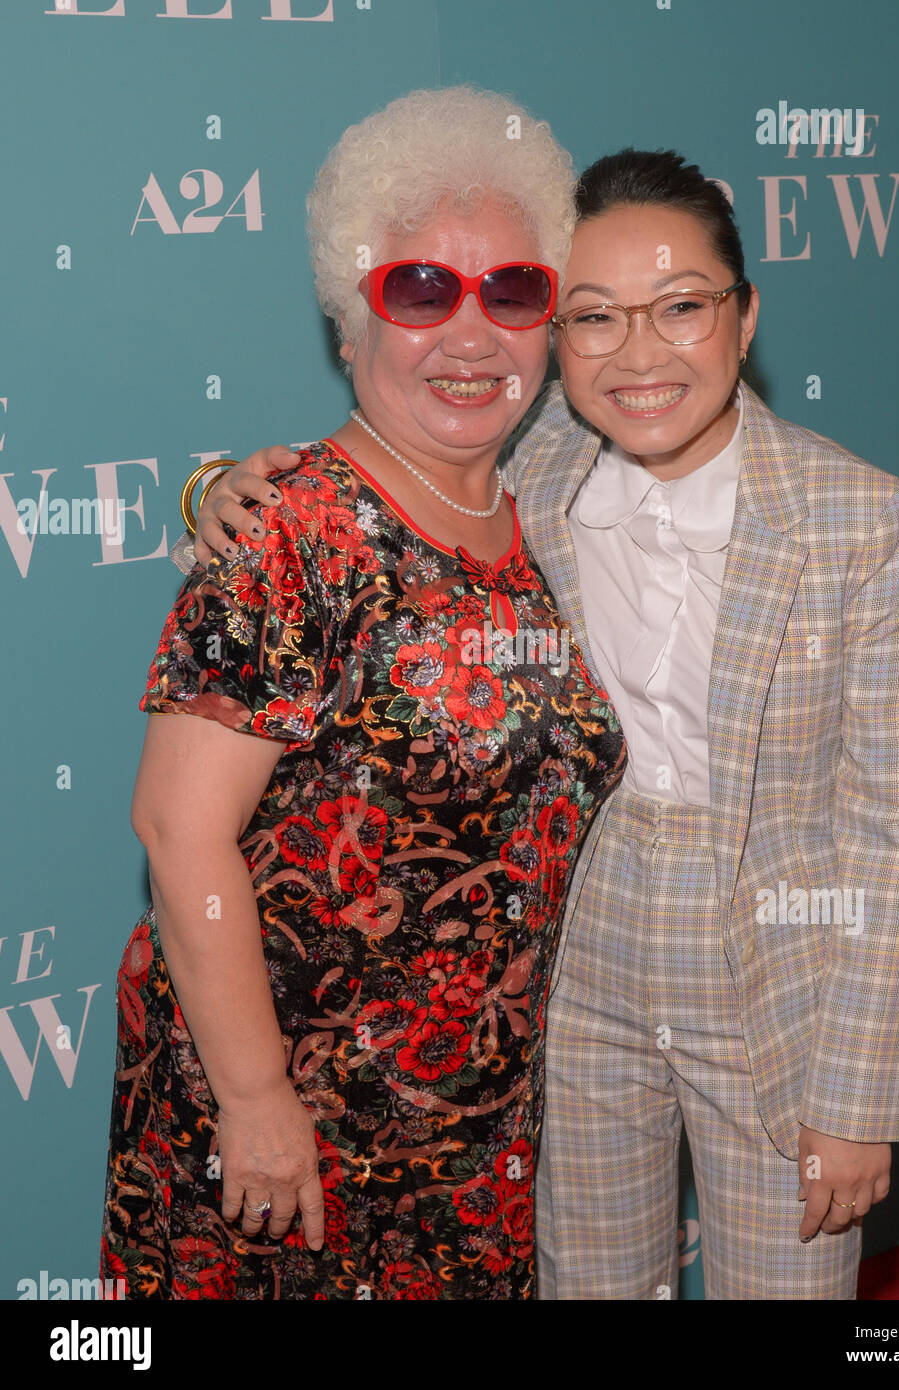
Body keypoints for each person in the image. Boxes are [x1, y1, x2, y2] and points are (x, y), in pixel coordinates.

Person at [186, 148, 899, 1300]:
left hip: (778, 995)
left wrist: (859, 1100)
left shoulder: (860, 520)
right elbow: (362, 486)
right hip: (569, 966)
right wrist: (212, 488)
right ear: (554, 338)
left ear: (744, 320)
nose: (639, 356)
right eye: (594, 318)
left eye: (681, 310)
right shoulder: (526, 472)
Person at [100, 86, 625, 1302]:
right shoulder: (293, 529)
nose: (471, 333)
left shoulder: (553, 507)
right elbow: (178, 831)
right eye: (420, 290)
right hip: (293, 1138)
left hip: (481, 1132)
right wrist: (255, 1097)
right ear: (351, 323)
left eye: (512, 291)